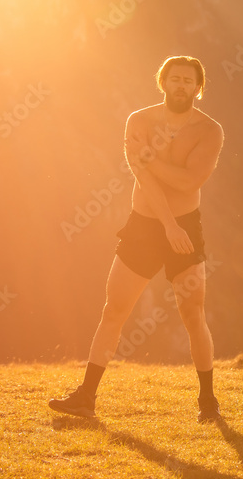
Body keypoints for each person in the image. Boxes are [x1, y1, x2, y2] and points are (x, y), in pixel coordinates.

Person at [49, 55, 225, 422]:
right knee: (114, 310)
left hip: (186, 228)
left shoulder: (210, 131)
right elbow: (143, 177)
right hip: (145, 227)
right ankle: (86, 397)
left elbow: (190, 181)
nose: (180, 85)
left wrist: (151, 162)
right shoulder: (139, 121)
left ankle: (208, 402)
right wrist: (167, 224)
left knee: (193, 314)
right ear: (162, 82)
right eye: (174, 78)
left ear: (198, 87)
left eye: (187, 81)